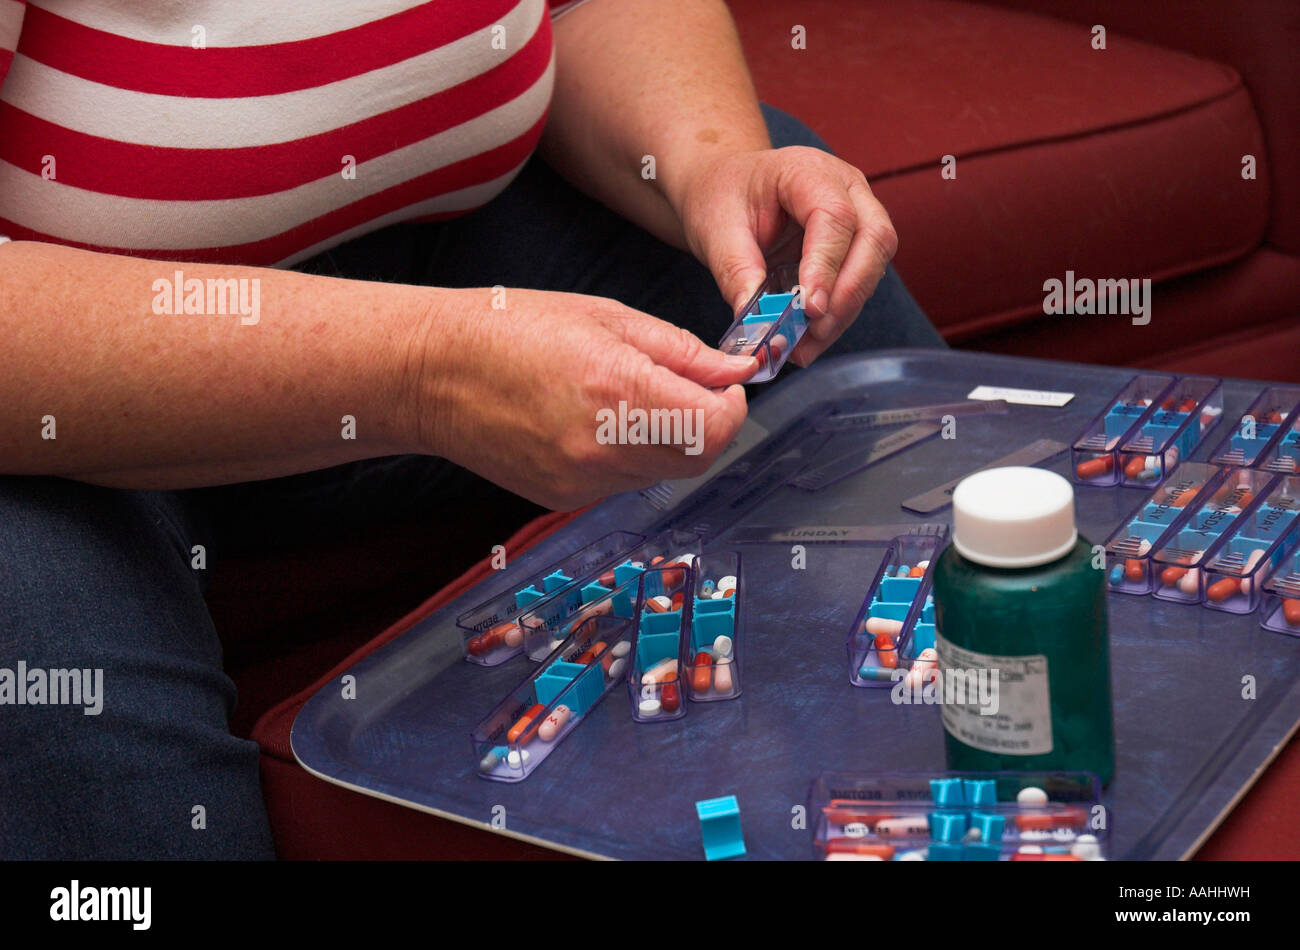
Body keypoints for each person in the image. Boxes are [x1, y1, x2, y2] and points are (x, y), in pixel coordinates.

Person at [0, 0, 944, 858]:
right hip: (71, 382)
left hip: (461, 244)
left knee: (813, 282)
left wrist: (708, 162)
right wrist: (430, 372)